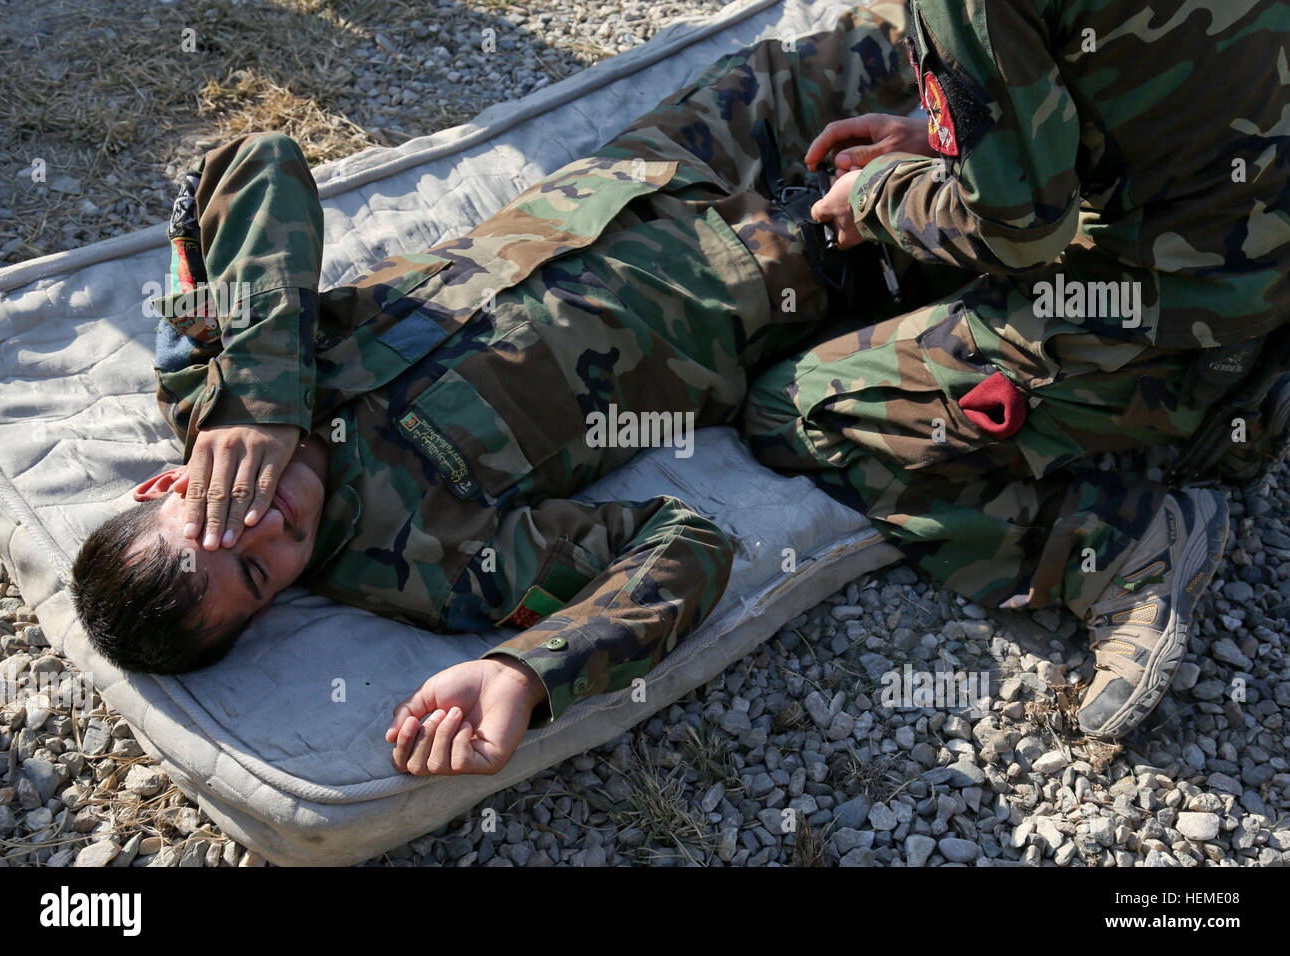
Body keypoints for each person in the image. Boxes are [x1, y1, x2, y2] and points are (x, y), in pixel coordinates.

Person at [71, 3, 921, 776]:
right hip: (787, 273)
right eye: (259, 574)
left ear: (168, 484)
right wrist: (532, 668)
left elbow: (254, 166)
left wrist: (260, 390)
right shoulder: (426, 563)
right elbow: (687, 545)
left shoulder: (206, 380)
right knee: (1003, 173)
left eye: (221, 521)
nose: (272, 524)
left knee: (920, 39)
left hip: (645, 173)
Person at [743, 0, 1288, 737]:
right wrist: (953, 142)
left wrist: (875, 197)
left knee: (791, 410)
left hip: (1188, 327)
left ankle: (1119, 544)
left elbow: (1020, 226)